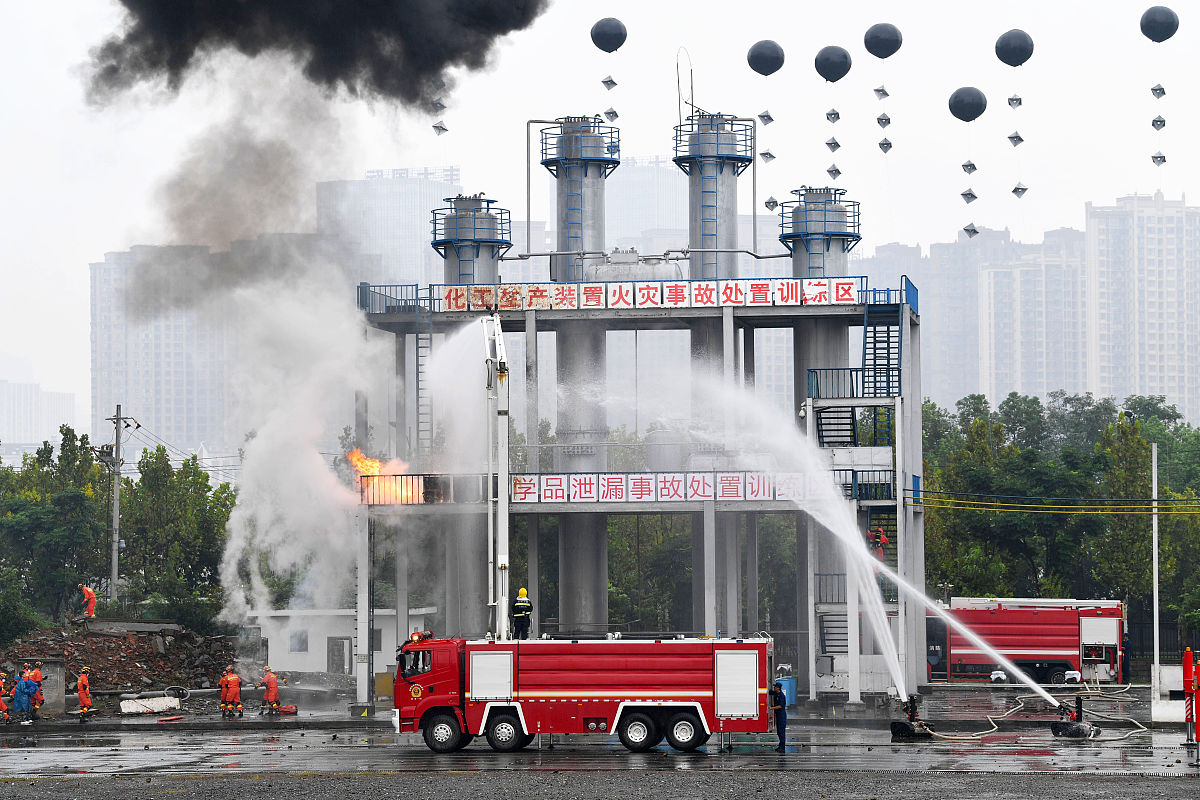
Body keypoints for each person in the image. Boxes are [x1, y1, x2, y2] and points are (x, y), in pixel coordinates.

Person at [769, 680, 787, 752]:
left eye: (775, 687)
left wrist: (771, 708)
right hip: (778, 715)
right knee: (779, 732)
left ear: (778, 688)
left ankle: (782, 747)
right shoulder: (776, 693)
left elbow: (780, 706)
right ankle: (780, 746)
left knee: (781, 732)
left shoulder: (782, 696)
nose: (774, 688)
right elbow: (770, 692)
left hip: (781, 716)